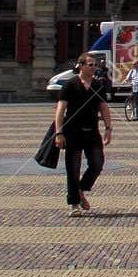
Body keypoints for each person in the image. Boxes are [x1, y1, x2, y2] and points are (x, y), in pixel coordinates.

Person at [51, 54, 113, 215]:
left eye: (95, 65)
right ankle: (74, 204)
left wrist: (108, 128)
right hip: (73, 131)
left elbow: (103, 107)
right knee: (73, 168)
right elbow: (60, 109)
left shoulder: (98, 85)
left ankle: (81, 189)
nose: (94, 68)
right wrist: (59, 132)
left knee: (97, 163)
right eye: (91, 65)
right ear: (81, 65)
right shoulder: (70, 85)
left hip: (92, 131)